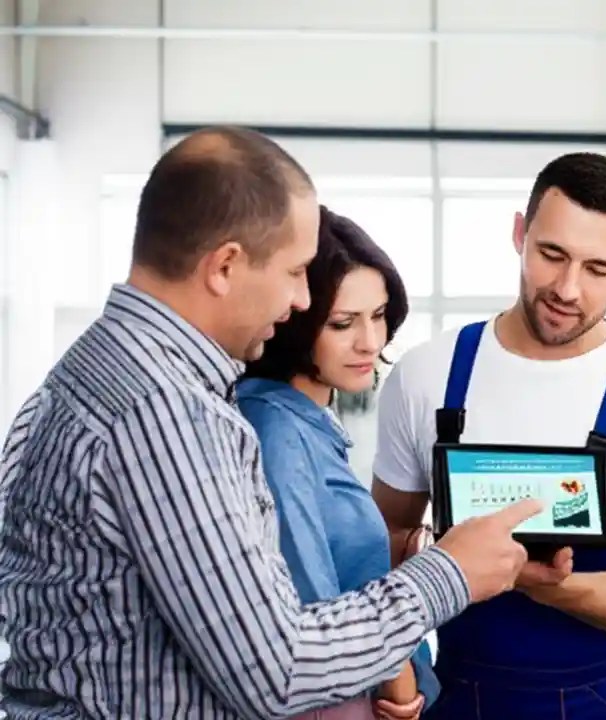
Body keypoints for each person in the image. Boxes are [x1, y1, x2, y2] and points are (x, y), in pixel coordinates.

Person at [0, 125, 539, 720]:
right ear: (225, 266)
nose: (302, 301)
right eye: (293, 271)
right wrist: (449, 574)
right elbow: (276, 671)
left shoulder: (85, 373)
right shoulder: (168, 415)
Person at [370, 152, 606, 719]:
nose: (567, 289)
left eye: (598, 270)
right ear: (519, 233)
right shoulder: (427, 374)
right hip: (463, 694)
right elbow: (383, 542)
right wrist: (402, 676)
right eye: (551, 254)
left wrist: (531, 582)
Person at [235, 206, 439, 720]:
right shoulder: (276, 430)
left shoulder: (312, 421)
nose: (370, 341)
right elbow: (314, 615)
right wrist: (402, 691)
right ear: (294, 319)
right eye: (343, 323)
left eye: (379, 314)